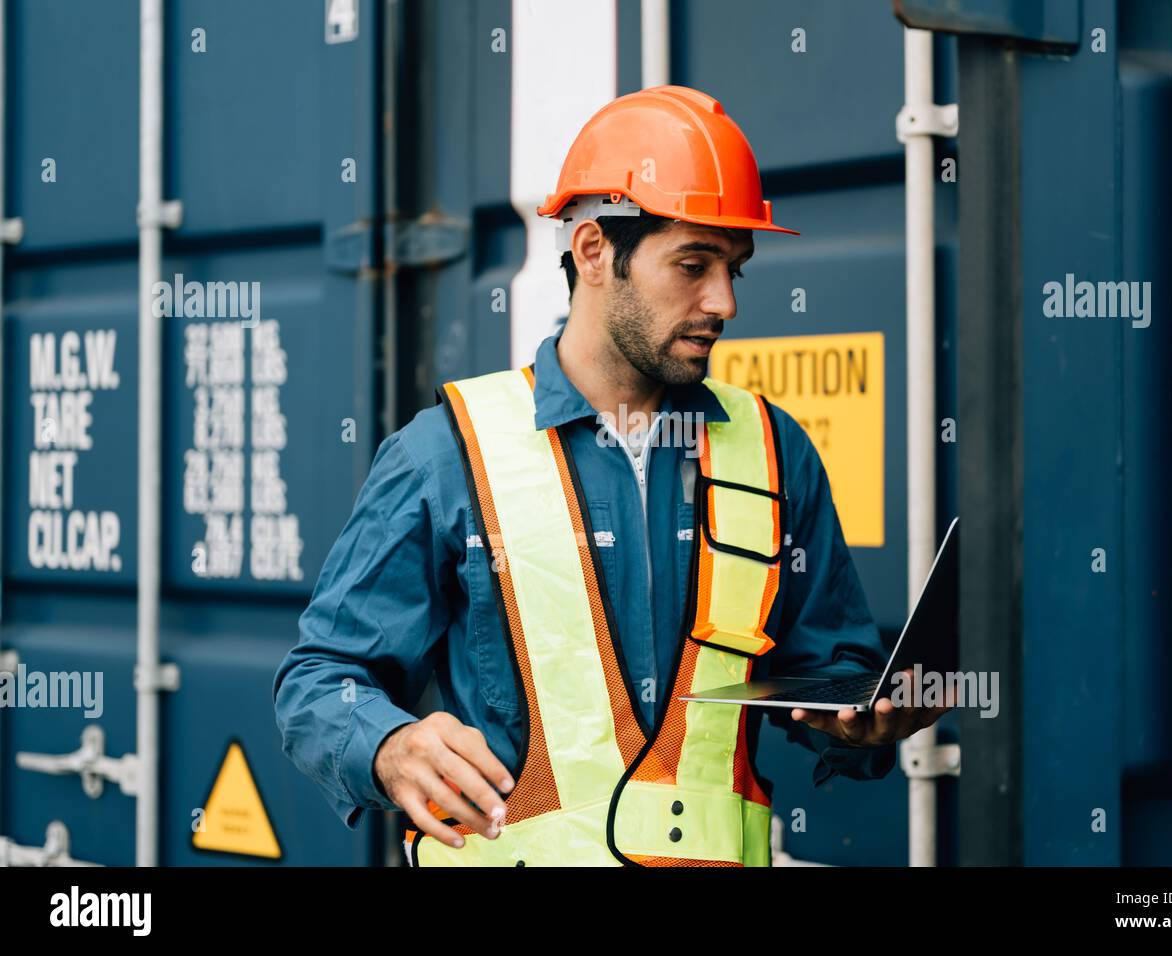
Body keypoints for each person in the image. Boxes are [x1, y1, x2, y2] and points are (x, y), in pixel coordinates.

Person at [273, 85, 949, 867]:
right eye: (693, 264)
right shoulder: (447, 456)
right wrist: (387, 745)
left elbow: (837, 670)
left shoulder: (774, 450)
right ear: (594, 251)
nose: (723, 301)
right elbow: (319, 682)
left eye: (735, 268)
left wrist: (862, 718)